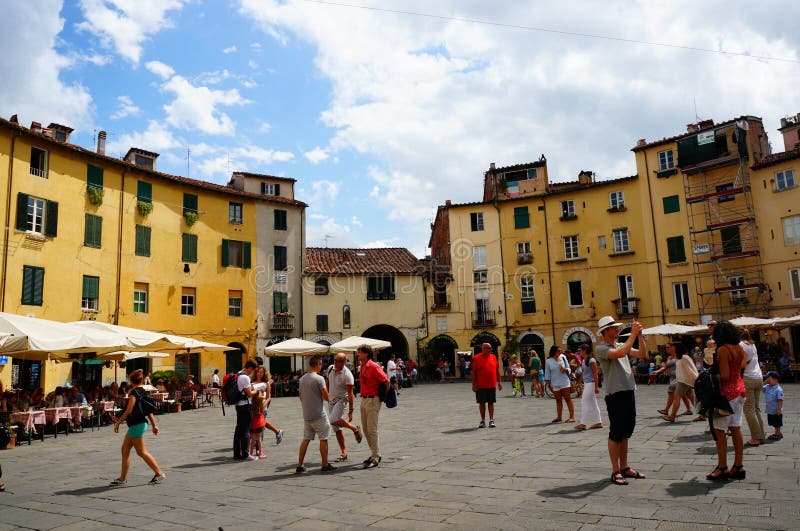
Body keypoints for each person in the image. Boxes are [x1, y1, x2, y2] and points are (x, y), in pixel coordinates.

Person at [594, 316, 648, 486]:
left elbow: (642, 354)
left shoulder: (620, 345)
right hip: (615, 394)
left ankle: (625, 467)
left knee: (626, 431)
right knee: (616, 432)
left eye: (617, 327)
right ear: (605, 331)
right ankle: (615, 470)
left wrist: (640, 336)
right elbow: (621, 353)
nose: (617, 330)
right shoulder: (601, 348)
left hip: (628, 390)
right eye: (614, 328)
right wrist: (632, 334)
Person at [110, 369, 165, 486]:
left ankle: (159, 473)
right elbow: (148, 411)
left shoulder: (134, 393)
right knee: (125, 450)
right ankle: (122, 478)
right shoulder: (143, 391)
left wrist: (118, 422)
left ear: (131, 380)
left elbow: (129, 410)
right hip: (139, 424)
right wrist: (154, 425)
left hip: (137, 425)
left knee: (141, 452)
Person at [707, 321, 747, 481]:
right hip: (740, 391)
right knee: (736, 428)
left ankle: (722, 466)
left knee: (720, 430)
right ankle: (738, 465)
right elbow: (740, 368)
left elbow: (724, 376)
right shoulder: (740, 348)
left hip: (725, 395)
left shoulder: (723, 350)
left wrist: (708, 376)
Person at [296, 355, 335, 474]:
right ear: (317, 364)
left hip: (307, 414)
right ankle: (324, 464)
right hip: (318, 414)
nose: (321, 367)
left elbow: (301, 397)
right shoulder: (319, 379)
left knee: (306, 439)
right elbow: (326, 396)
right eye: (321, 364)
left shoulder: (302, 379)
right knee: (324, 438)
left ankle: (300, 464)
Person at [326, 353, 363, 462]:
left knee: (333, 420)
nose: (335, 362)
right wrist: (327, 395)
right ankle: (344, 452)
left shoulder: (347, 375)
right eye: (335, 360)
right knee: (337, 428)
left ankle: (354, 428)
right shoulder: (330, 368)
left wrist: (351, 410)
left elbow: (350, 394)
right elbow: (328, 382)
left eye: (338, 361)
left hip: (342, 400)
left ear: (344, 362)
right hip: (331, 400)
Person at [357, 345, 389, 468]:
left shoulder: (374, 366)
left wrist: (382, 397)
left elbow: (386, 382)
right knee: (365, 429)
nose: (357, 354)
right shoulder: (362, 367)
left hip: (373, 400)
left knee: (372, 429)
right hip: (364, 399)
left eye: (359, 352)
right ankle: (374, 453)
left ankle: (375, 458)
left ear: (366, 354)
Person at [662, 344, 699, 422]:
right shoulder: (680, 357)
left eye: (672, 347)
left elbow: (690, 369)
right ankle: (703, 414)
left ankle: (672, 416)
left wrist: (696, 379)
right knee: (692, 398)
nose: (671, 349)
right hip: (684, 380)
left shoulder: (684, 357)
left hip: (684, 381)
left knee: (676, 397)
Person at [741, 329, 765, 446]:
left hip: (748, 378)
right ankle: (761, 435)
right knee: (755, 408)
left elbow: (743, 363)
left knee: (748, 409)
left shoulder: (740, 345)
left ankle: (756, 437)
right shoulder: (752, 344)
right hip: (758, 377)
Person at [471, 342, 503, 428]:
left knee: (491, 403)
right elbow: (473, 372)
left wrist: (499, 382)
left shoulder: (493, 357)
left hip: (491, 385)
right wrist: (474, 384)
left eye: (490, 348)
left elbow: (497, 371)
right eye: (488, 348)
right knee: (481, 403)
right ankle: (482, 420)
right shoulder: (476, 358)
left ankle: (491, 420)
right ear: (483, 348)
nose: (490, 349)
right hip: (481, 385)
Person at [233, 359, 259, 461]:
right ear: (249, 368)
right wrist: (256, 391)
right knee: (246, 430)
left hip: (239, 405)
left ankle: (236, 453)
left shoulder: (238, 374)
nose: (251, 372)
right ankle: (245, 453)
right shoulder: (245, 377)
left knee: (238, 430)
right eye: (252, 370)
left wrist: (250, 387)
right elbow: (249, 394)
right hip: (245, 406)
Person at [575, 343, 602, 430]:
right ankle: (599, 422)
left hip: (591, 383)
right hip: (588, 383)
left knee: (584, 401)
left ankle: (583, 423)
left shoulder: (591, 360)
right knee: (594, 403)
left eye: (580, 350)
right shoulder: (584, 360)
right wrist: (579, 381)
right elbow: (584, 372)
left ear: (584, 351)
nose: (579, 352)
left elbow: (595, 373)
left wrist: (596, 386)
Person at [544, 346, 574, 423]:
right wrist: (548, 384)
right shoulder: (548, 361)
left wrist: (565, 369)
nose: (561, 351)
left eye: (561, 350)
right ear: (554, 351)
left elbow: (569, 369)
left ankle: (572, 417)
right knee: (558, 400)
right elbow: (547, 373)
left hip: (564, 382)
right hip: (555, 383)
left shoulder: (563, 357)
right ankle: (559, 417)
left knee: (568, 399)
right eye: (559, 350)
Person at [763, 371, 784, 441]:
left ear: (776, 379)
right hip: (770, 409)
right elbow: (760, 388)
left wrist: (779, 409)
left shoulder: (778, 389)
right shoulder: (767, 386)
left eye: (769, 379)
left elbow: (780, 400)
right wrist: (764, 382)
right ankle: (778, 433)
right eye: (767, 378)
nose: (768, 380)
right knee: (773, 422)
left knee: (777, 423)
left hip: (776, 410)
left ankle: (777, 434)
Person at [249, 388, 267, 459]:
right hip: (260, 423)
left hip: (253, 423)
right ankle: (260, 453)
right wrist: (267, 398)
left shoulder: (252, 404)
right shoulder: (261, 404)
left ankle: (250, 453)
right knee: (259, 439)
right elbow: (263, 410)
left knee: (253, 439)